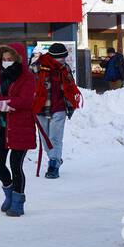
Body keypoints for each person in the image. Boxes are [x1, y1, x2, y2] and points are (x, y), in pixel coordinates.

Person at [0, 43, 37, 217]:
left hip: (21, 126)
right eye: (4, 59)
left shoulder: (27, 78)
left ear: (18, 59)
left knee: (15, 165)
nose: (6, 62)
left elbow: (26, 100)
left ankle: (18, 201)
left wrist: (6, 103)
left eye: (10, 59)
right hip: (0, 126)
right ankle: (9, 190)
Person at [31, 42, 83, 179]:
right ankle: (56, 158)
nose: (63, 60)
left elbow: (71, 85)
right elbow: (29, 86)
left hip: (59, 108)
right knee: (45, 139)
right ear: (53, 57)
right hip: (40, 107)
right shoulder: (37, 67)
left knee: (55, 138)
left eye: (64, 58)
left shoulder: (64, 68)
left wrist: (72, 102)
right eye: (61, 58)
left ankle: (53, 165)